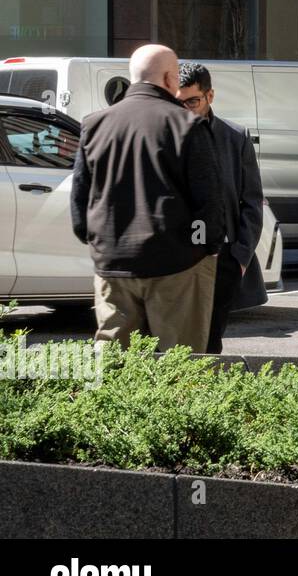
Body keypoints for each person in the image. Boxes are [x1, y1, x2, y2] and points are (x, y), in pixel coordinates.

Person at [70, 44, 224, 351]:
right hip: (177, 262)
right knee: (179, 364)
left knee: (114, 362)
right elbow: (208, 200)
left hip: (113, 261)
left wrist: (95, 239)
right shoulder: (187, 125)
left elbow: (80, 198)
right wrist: (208, 246)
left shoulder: (94, 124)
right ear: (170, 78)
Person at [176, 61, 265, 354]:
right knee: (172, 343)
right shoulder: (165, 133)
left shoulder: (234, 136)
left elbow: (252, 199)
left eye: (194, 101)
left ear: (210, 96)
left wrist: (240, 256)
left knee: (211, 342)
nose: (186, 109)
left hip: (223, 257)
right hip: (177, 255)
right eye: (180, 102)